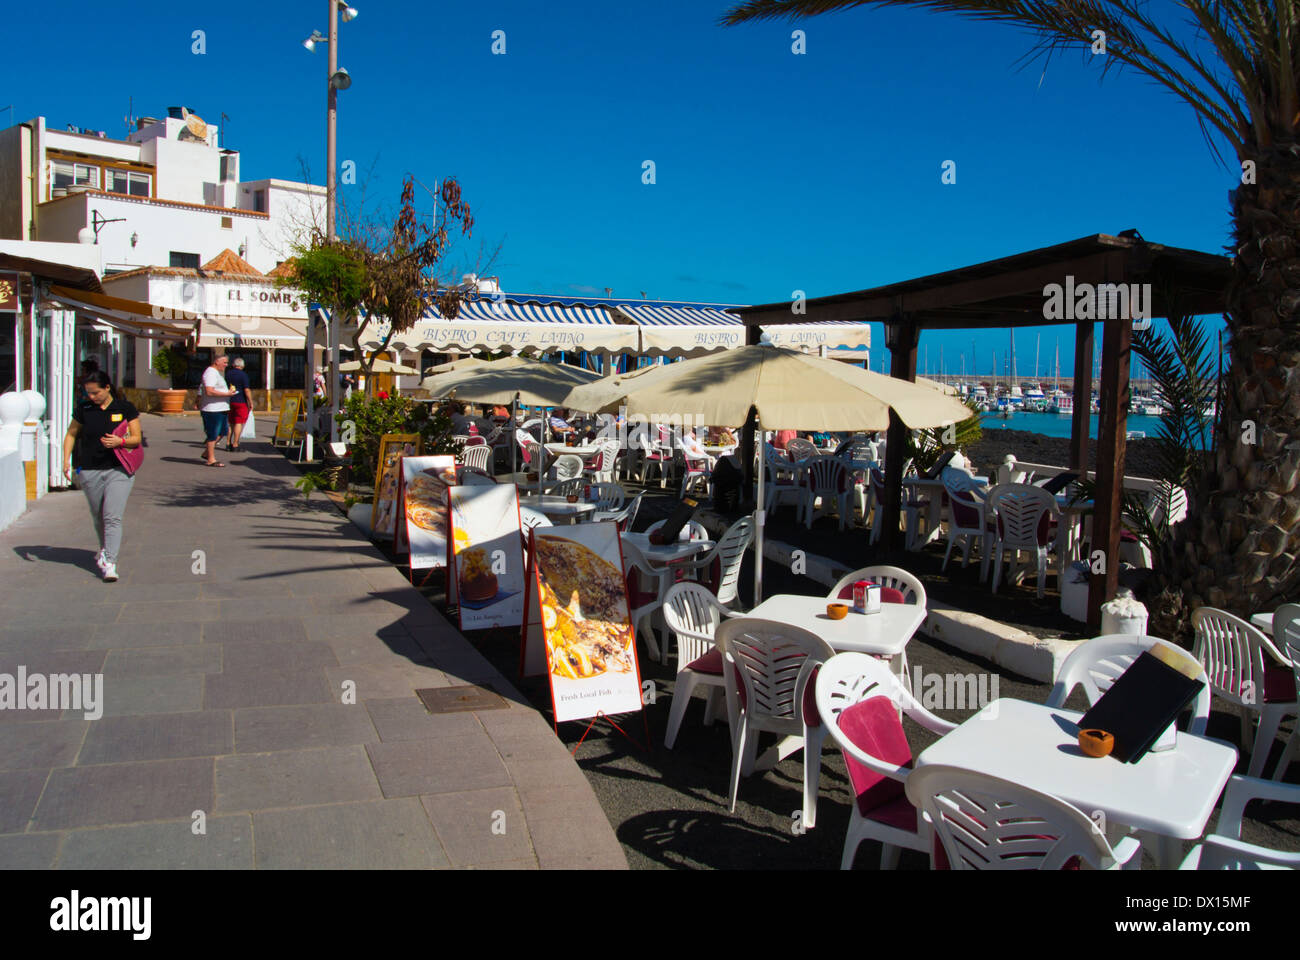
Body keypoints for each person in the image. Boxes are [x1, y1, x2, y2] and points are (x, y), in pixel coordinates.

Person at [63, 371, 141, 583]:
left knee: (112, 516)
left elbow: (136, 438)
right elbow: (71, 434)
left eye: (95, 392)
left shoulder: (124, 408)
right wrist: (65, 460)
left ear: (107, 388)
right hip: (90, 470)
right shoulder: (84, 409)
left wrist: (120, 442)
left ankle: (111, 564)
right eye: (88, 393)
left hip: (119, 469)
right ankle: (105, 550)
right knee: (98, 516)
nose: (91, 397)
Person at [198, 354, 236, 467]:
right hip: (212, 409)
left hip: (221, 408)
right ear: (216, 362)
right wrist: (227, 393)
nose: (226, 365)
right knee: (213, 433)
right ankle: (211, 459)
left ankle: (207, 453)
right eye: (224, 362)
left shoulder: (216, 373)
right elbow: (209, 391)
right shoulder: (210, 373)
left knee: (223, 431)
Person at [225, 357, 252, 451]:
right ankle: (235, 444)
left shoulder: (227, 374)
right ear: (242, 366)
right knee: (238, 423)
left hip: (229, 400)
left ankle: (228, 443)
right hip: (241, 401)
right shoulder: (243, 375)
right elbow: (247, 390)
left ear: (233, 365)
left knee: (230, 423)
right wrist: (250, 402)